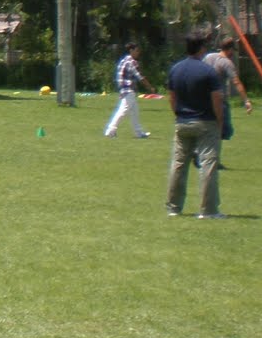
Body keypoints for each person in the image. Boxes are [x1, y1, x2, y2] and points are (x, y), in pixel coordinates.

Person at [165, 31, 226, 218]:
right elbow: (216, 100)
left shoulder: (175, 69)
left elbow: (172, 97)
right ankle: (208, 210)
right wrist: (220, 122)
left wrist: (178, 113)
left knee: (178, 164)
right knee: (208, 164)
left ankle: (173, 207)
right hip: (205, 123)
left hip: (182, 122)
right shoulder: (208, 72)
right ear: (201, 48)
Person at [204, 36, 253, 150]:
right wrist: (246, 101)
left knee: (210, 127)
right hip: (220, 101)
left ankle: (202, 152)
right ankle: (211, 156)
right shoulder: (227, 63)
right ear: (230, 49)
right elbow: (236, 82)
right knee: (224, 130)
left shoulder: (208, 57)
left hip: (205, 99)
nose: (233, 54)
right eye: (233, 51)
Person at [104, 42, 153, 139]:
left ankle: (139, 133)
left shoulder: (124, 60)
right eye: (137, 50)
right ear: (131, 51)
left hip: (124, 89)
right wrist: (150, 87)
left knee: (134, 111)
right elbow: (140, 77)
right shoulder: (132, 62)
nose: (138, 52)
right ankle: (110, 130)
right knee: (123, 110)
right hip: (128, 89)